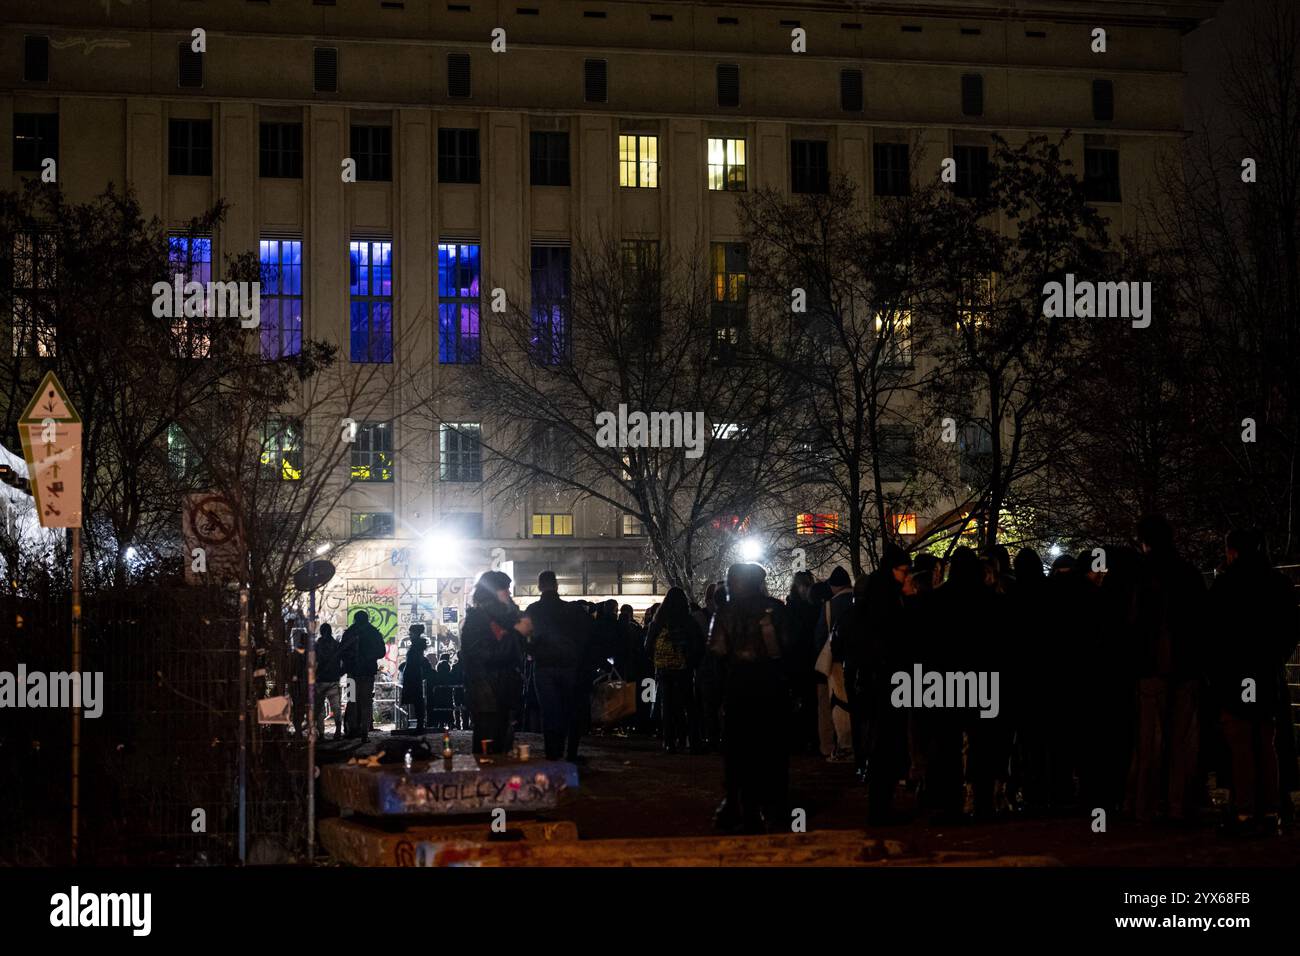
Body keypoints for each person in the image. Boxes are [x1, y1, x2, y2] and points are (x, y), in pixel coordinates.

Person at [1209, 528, 1298, 836]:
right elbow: (1290, 629)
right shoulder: (1279, 584)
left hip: (1236, 675)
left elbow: (1214, 635)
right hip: (1266, 671)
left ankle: (1245, 809)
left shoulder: (1225, 585)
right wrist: (1275, 659)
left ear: (1233, 551)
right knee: (1267, 740)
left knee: (1240, 742)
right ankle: (1272, 807)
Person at [1128, 514, 1207, 825]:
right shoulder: (1188, 573)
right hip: (1185, 668)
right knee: (1180, 744)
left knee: (1148, 743)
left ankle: (1143, 807)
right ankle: (1176, 805)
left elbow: (1132, 623)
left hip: (1149, 669)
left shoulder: (1140, 575)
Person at [708, 563, 792, 832]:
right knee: (772, 749)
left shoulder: (724, 613)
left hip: (739, 689)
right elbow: (790, 648)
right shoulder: (776, 609)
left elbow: (717, 654)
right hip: (771, 688)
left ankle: (738, 805)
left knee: (738, 751)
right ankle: (774, 807)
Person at [854, 544, 913, 822]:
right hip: (887, 683)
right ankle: (881, 807)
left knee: (883, 744)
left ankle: (881, 804)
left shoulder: (874, 595)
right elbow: (894, 640)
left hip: (880, 682)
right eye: (903, 571)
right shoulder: (887, 599)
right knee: (886, 745)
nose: (906, 577)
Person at [461, 570, 531, 755]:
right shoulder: (477, 619)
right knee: (488, 742)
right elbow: (485, 655)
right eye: (504, 589)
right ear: (492, 592)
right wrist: (517, 634)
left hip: (505, 688)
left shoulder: (507, 618)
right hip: (486, 691)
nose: (508, 593)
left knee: (503, 741)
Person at [526, 571, 593, 761]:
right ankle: (570, 753)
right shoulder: (572, 610)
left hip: (544, 666)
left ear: (539, 586)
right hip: (569, 666)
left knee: (549, 711)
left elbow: (521, 638)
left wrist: (532, 652)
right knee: (570, 709)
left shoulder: (532, 610)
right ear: (556, 586)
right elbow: (586, 637)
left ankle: (552, 753)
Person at [645, 586, 706, 753]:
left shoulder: (658, 622)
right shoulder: (688, 621)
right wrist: (691, 662)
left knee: (667, 705)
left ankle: (669, 741)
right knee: (689, 704)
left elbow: (648, 646)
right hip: (684, 668)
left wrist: (658, 661)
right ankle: (693, 740)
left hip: (664, 669)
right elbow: (699, 645)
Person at [817, 566, 855, 763]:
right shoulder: (859, 602)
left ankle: (844, 745)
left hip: (836, 662)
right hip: (858, 659)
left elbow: (820, 636)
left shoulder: (830, 606)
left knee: (839, 704)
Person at [785, 571, 821, 755]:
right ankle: (805, 739)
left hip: (801, 660)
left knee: (806, 702)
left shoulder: (792, 608)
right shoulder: (809, 608)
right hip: (803, 660)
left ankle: (805, 740)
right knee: (806, 701)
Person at [341, 610, 387, 742]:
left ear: (355, 619)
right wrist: (369, 657)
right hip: (368, 673)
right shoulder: (374, 632)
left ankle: (352, 730)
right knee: (366, 703)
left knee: (352, 701)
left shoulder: (349, 632)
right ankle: (364, 734)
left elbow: (342, 652)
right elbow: (381, 652)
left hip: (352, 673)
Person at [399, 625, 434, 733]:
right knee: (417, 700)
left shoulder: (416, 646)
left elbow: (414, 661)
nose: (409, 635)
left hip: (413, 675)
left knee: (417, 700)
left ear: (415, 633)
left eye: (411, 633)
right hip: (413, 675)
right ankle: (420, 723)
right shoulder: (417, 646)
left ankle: (420, 724)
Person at [314, 622, 344, 740]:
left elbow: (313, 664)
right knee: (336, 707)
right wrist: (339, 673)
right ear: (331, 631)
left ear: (321, 632)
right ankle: (338, 731)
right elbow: (343, 662)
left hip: (320, 681)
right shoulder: (337, 645)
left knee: (319, 709)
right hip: (333, 680)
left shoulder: (316, 646)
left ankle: (321, 733)